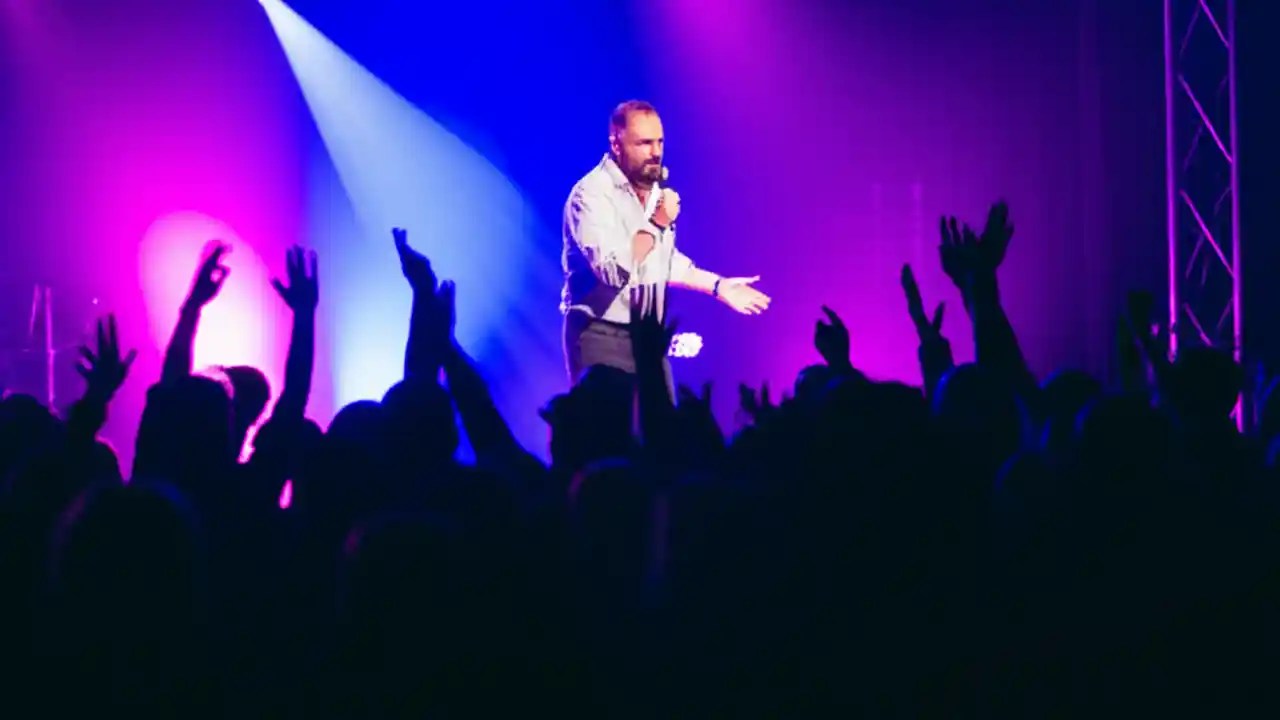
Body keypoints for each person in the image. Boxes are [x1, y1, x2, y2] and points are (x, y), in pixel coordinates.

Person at [560, 100, 771, 383]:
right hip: (600, 334)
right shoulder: (592, 196)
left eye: (659, 142)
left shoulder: (652, 192)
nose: (656, 152)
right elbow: (613, 271)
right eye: (644, 143)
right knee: (608, 426)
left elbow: (661, 261)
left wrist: (718, 286)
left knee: (663, 424)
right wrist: (657, 222)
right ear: (616, 143)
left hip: (648, 336)